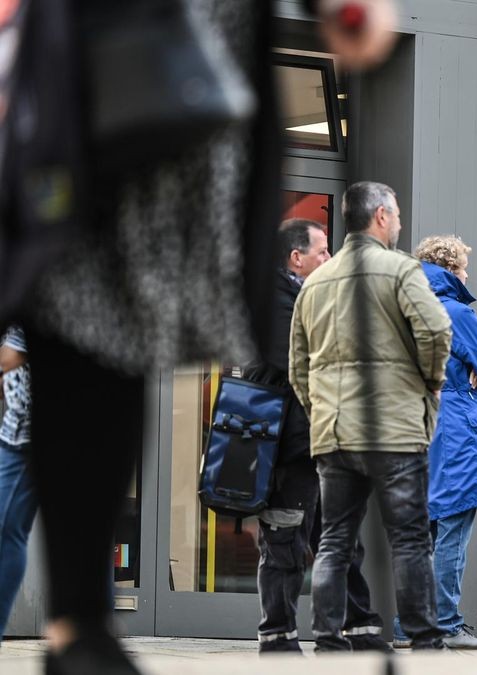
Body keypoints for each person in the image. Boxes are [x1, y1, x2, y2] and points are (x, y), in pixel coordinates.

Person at [0, 2, 398, 673]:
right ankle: (79, 623)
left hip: (185, 69)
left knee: (120, 318)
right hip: (92, 52)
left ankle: (80, 625)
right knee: (73, 294)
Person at [290, 181, 452, 652]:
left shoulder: (314, 283)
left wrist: (319, 409)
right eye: (397, 213)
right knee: (409, 539)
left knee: (335, 538)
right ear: (380, 216)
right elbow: (437, 330)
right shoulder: (401, 270)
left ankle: (326, 637)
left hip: (335, 433)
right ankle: (424, 640)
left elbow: (297, 366)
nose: (399, 221)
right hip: (395, 430)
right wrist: (428, 385)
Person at [246, 219, 389, 653]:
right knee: (285, 542)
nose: (330, 259)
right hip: (289, 449)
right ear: (297, 258)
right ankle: (278, 638)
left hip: (322, 444)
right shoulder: (274, 302)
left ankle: (358, 631)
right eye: (323, 251)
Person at [407, 234, 477, 649]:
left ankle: (411, 624)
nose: (467, 275)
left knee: (421, 531)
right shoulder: (455, 312)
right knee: (453, 526)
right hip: (458, 427)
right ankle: (444, 624)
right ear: (451, 270)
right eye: (464, 268)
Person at [0, 326, 35, 642]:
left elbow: (10, 356)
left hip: (28, 438)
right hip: (16, 433)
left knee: (7, 531)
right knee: (9, 532)